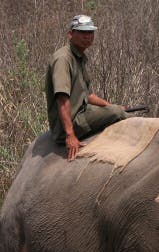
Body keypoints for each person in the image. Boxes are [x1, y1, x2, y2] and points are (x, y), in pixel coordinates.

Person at [45, 14, 129, 160]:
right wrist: (70, 135)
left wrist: (111, 106)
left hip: (83, 113)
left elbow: (88, 95)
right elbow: (61, 98)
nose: (87, 36)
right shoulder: (63, 59)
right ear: (71, 34)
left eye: (90, 32)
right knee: (121, 115)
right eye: (82, 32)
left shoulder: (79, 57)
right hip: (73, 121)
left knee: (116, 110)